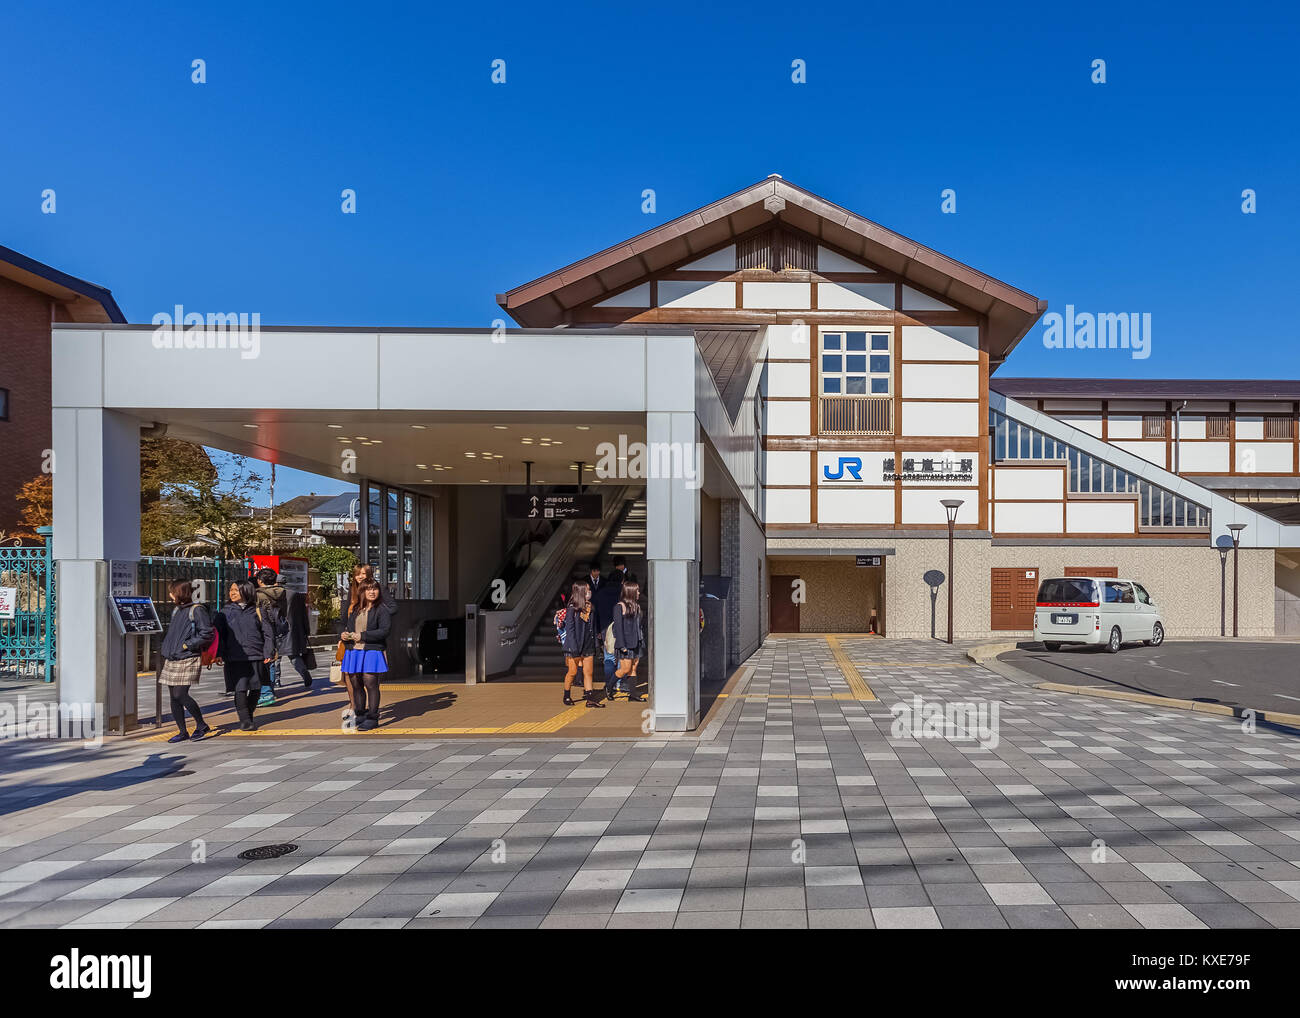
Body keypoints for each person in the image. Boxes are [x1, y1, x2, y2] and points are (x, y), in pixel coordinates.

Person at [157, 579, 214, 742]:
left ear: (179, 593)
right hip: (173, 657)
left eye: (172, 592)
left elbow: (207, 633)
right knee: (173, 697)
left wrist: (187, 645)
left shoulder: (197, 610)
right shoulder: (177, 610)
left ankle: (201, 724)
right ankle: (182, 731)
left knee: (180, 694)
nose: (170, 595)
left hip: (188, 657)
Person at [214, 579, 274, 731]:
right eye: (231, 590)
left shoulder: (258, 610)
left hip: (256, 655)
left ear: (246, 591)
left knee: (256, 688)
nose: (232, 593)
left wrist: (268, 651)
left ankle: (248, 715)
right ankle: (245, 721)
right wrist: (219, 653)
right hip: (235, 656)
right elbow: (219, 635)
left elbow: (268, 633)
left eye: (236, 590)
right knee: (240, 688)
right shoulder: (224, 612)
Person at [341, 565, 395, 725]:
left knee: (370, 683)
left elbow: (384, 631)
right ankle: (360, 713)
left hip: (372, 650)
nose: (372, 592)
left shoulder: (382, 610)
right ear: (362, 592)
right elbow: (346, 625)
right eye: (368, 590)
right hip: (353, 651)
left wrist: (362, 636)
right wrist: (344, 635)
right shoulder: (356, 609)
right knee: (356, 683)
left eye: (375, 589)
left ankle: (373, 717)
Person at [560, 581, 604, 709]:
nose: (589, 592)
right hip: (575, 646)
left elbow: (593, 628)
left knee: (588, 672)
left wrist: (596, 644)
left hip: (588, 644)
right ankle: (566, 695)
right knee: (572, 672)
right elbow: (570, 629)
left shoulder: (591, 607)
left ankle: (590, 700)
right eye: (587, 590)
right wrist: (574, 648)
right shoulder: (572, 608)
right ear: (581, 592)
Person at [254, 568, 289, 706]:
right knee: (273, 659)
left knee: (266, 660)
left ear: (259, 581)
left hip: (264, 630)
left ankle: (266, 692)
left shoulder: (258, 595)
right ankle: (270, 690)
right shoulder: (281, 593)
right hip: (279, 628)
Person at [610, 580, 646, 702]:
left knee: (633, 668)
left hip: (636, 642)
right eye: (637, 591)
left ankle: (633, 695)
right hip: (625, 643)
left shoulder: (636, 606)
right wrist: (621, 645)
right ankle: (609, 687)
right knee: (625, 669)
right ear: (630, 592)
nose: (639, 593)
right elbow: (618, 628)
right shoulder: (619, 606)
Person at [282, 589, 313, 688]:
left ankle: (275, 681)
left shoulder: (274, 596)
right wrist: (306, 630)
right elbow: (304, 616)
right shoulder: (296, 596)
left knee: (275, 659)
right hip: (293, 632)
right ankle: (303, 671)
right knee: (294, 656)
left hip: (279, 632)